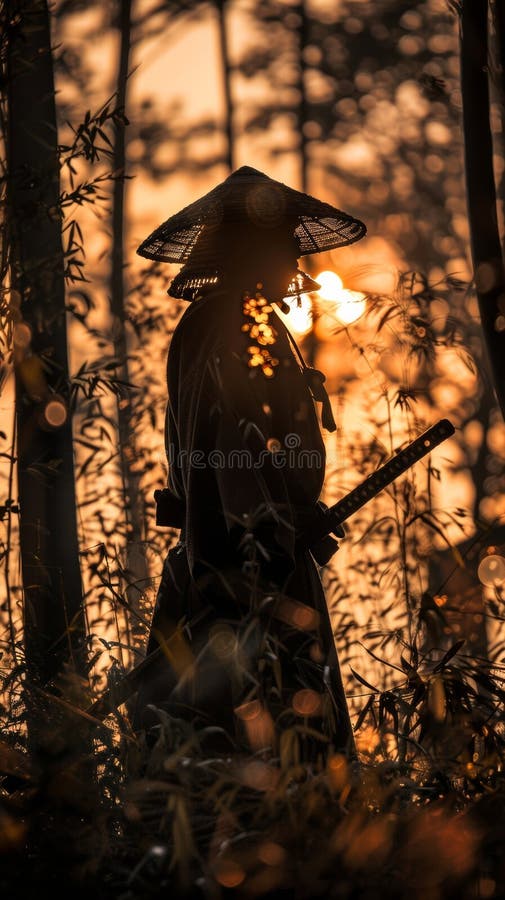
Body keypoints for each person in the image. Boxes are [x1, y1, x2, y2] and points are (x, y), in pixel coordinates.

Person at [133, 166, 366, 765]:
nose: (294, 263)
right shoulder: (236, 323)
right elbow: (232, 459)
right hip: (247, 564)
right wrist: (264, 547)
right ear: (253, 250)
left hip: (240, 551)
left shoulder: (223, 322)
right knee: (265, 735)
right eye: (283, 247)